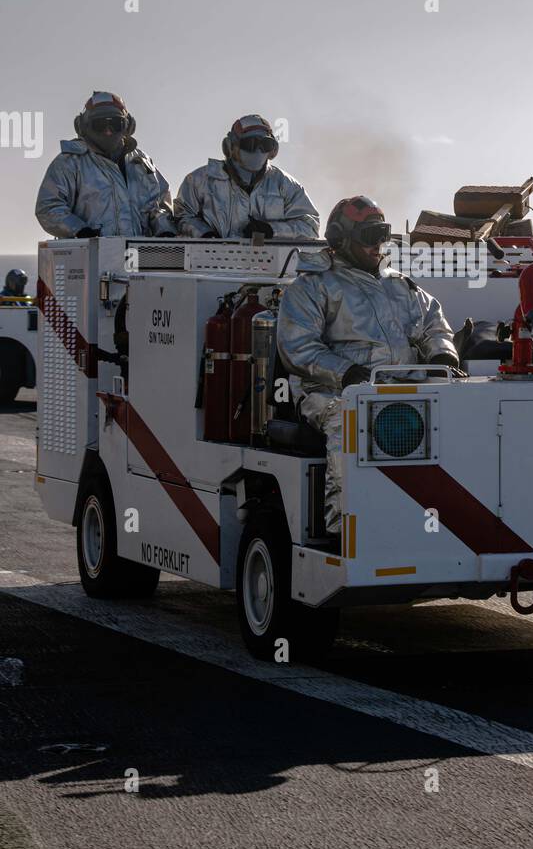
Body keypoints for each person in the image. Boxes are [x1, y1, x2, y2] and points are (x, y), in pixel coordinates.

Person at [277, 195, 459, 532]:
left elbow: (433, 322)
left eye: (383, 233)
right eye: (369, 235)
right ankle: (343, 529)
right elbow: (297, 347)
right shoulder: (312, 286)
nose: (379, 243)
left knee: (460, 421)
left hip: (401, 388)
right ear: (340, 239)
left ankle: (445, 525)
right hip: (332, 393)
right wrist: (345, 372)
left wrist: (442, 352)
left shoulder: (401, 285)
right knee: (350, 426)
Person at [35, 93, 175, 238]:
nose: (108, 131)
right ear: (84, 126)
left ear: (128, 125)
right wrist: (80, 231)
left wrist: (165, 229)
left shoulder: (141, 163)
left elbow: (160, 205)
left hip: (141, 256)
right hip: (89, 256)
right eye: (100, 125)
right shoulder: (69, 162)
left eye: (115, 124)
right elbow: (49, 207)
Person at [174, 114, 319, 240]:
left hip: (269, 268)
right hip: (208, 267)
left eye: (265, 145)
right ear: (230, 147)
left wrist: (271, 230)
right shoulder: (200, 180)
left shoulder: (285, 185)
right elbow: (182, 216)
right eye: (249, 144)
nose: (257, 150)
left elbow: (310, 227)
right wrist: (205, 235)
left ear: (273, 150)